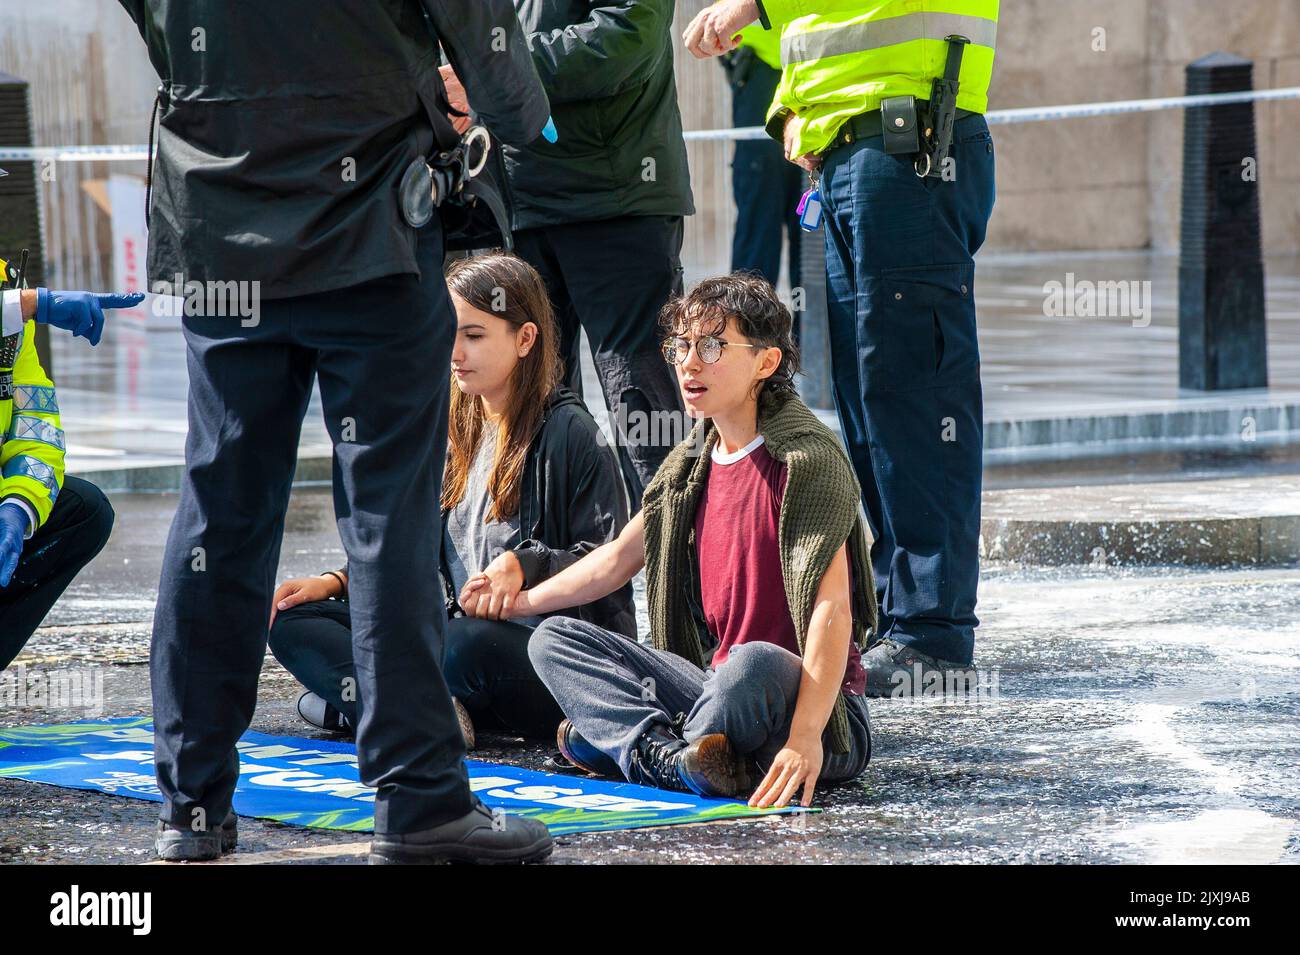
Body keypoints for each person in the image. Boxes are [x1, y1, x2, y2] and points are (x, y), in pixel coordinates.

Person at [118, 0, 557, 864]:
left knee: (219, 509)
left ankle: (191, 806)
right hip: (371, 226)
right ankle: (419, 801)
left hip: (220, 223)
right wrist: (529, 122)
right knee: (387, 518)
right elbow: (478, 26)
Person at [465, 273, 877, 808]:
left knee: (751, 663)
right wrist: (520, 603)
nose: (688, 363)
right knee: (554, 640)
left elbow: (830, 610)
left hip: (812, 709)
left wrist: (803, 742)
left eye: (711, 346)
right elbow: (616, 560)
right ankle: (677, 756)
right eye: (681, 345)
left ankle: (635, 745)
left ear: (766, 363)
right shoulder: (690, 463)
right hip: (714, 686)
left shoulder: (806, 462)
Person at [684, 1, 998, 694]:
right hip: (855, 153)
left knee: (916, 391)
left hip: (911, 138)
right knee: (868, 395)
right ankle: (900, 613)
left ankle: (934, 637)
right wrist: (797, 107)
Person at [267, 253, 635, 747]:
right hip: (452, 640)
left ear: (526, 338)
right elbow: (406, 548)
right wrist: (336, 582)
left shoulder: (571, 431)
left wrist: (526, 565)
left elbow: (608, 562)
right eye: (448, 332)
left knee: (463, 644)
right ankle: (430, 711)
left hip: (543, 662)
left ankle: (365, 708)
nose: (455, 352)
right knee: (293, 618)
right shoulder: (448, 423)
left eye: (475, 335)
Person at [440, 0, 693, 511]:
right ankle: (548, 566)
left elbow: (629, 31)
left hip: (613, 197)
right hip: (518, 204)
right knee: (527, 399)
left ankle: (677, 574)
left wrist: (496, 71)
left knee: (641, 403)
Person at [0, 258, 137, 666]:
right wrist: (23, 305)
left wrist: (17, 508)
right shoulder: (14, 303)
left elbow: (34, 422)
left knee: (84, 510)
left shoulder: (7, 289)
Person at [721, 25, 803, 311]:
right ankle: (744, 337)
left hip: (812, 67)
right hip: (764, 70)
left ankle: (813, 346)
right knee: (760, 226)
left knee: (812, 229)